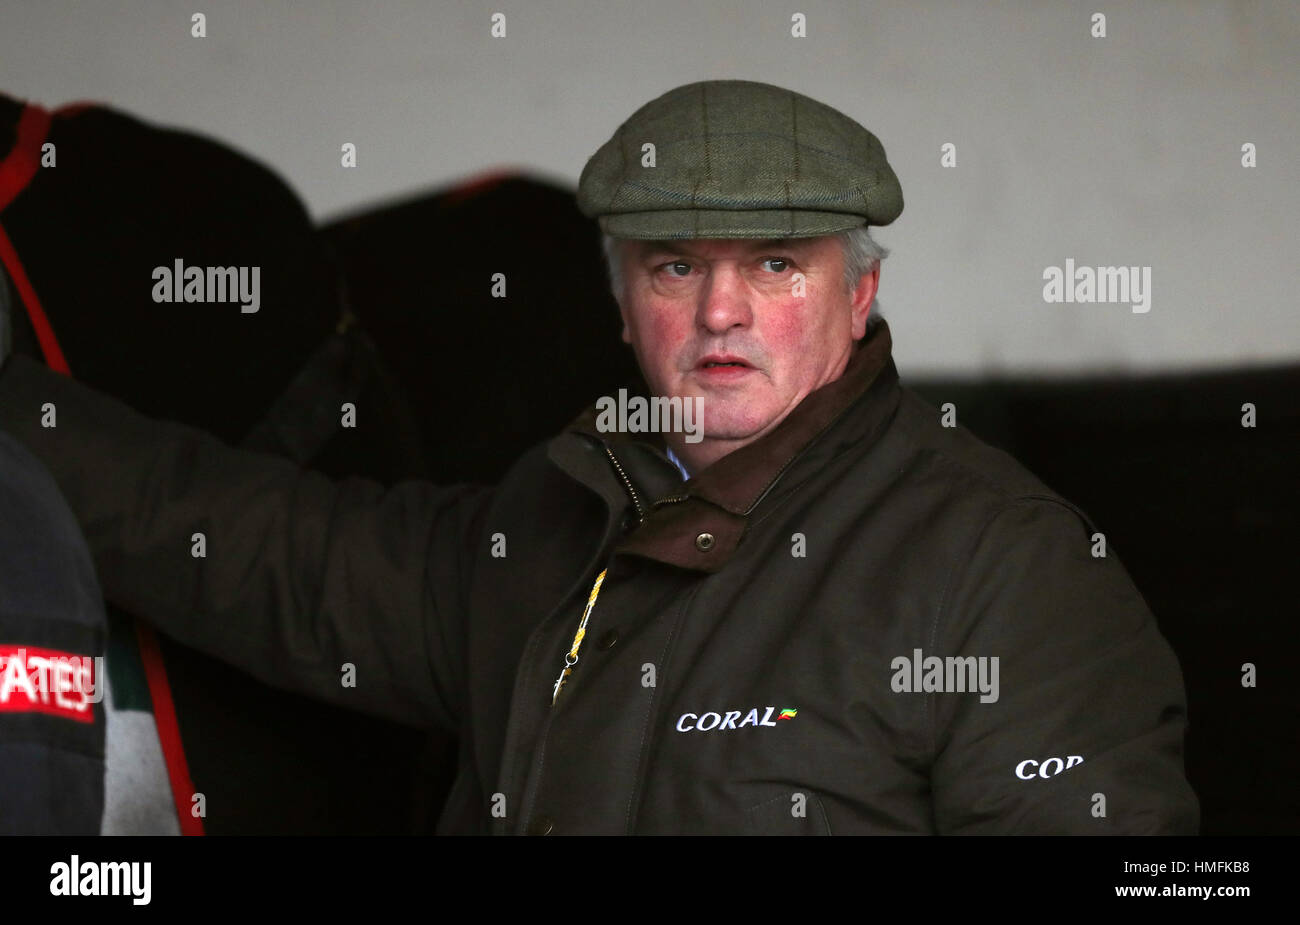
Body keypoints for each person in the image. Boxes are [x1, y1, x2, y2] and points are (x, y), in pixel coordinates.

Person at [0, 79, 1198, 834]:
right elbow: (257, 548)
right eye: (676, 265)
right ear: (622, 306)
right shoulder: (545, 528)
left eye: (777, 264)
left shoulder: (1003, 572)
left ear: (862, 290)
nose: (721, 312)